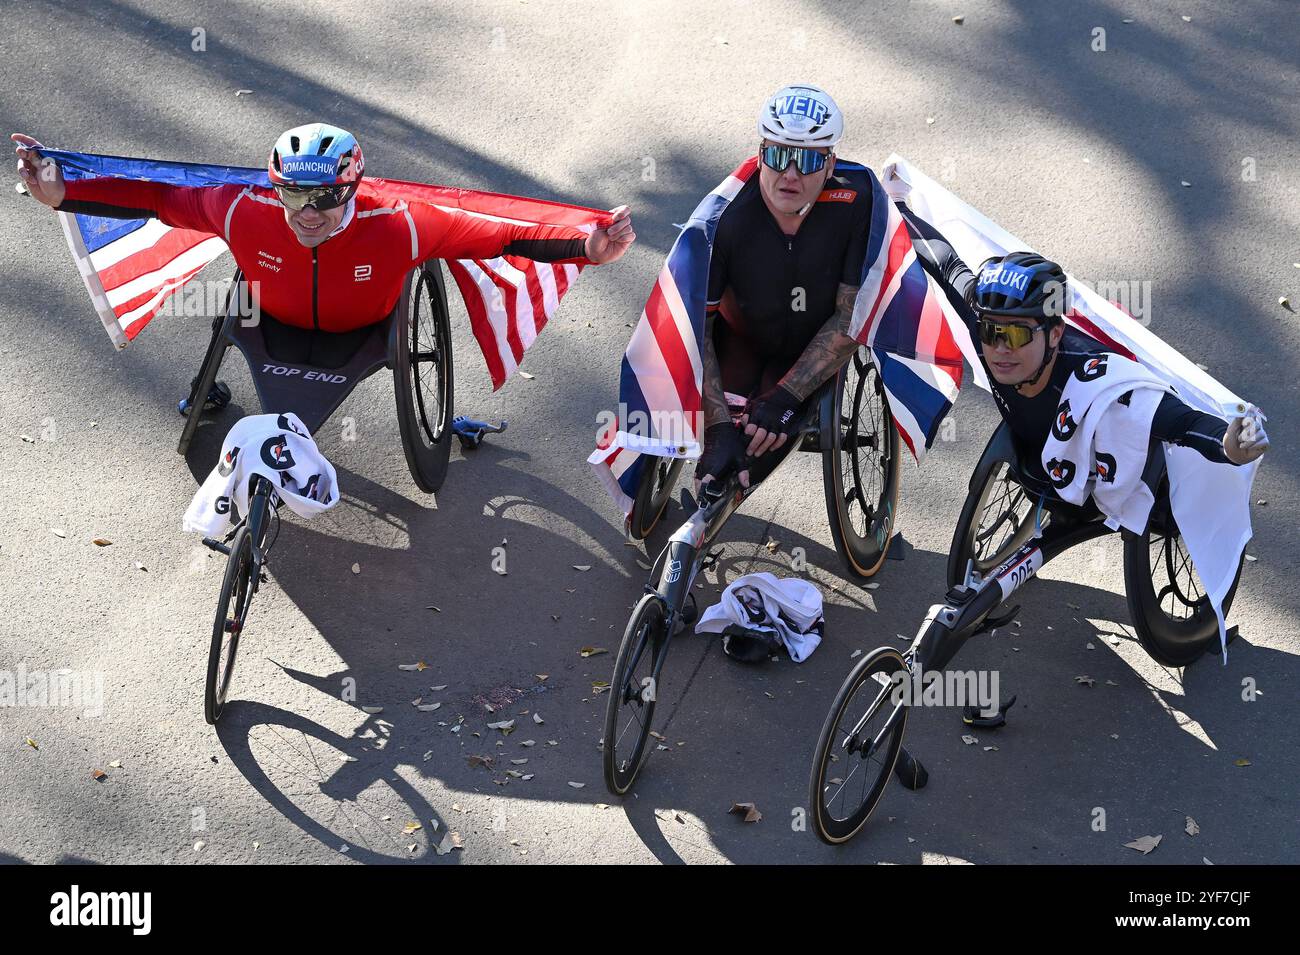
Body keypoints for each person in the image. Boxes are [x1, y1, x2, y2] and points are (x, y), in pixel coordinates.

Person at [12, 123, 635, 405]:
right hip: (272, 323)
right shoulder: (240, 208)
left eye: (327, 198)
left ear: (353, 188)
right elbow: (153, 196)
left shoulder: (403, 223)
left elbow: (503, 236)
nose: (308, 214)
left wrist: (586, 247)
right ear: (275, 186)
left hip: (363, 333)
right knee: (228, 303)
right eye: (293, 196)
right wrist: (61, 193)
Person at [893, 208, 1268, 473]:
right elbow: (945, 262)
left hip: (1100, 479)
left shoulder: (1099, 377)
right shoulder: (983, 321)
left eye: (1017, 335)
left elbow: (1180, 421)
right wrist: (889, 205)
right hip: (1036, 454)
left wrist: (1229, 446)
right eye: (991, 332)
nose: (1000, 348)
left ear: (1055, 333)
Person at [695, 84, 870, 490]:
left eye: (807, 160)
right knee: (721, 450)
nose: (790, 175)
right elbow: (694, 324)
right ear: (760, 156)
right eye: (777, 156)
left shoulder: (856, 202)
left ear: (830, 164)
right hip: (738, 342)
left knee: (756, 453)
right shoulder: (726, 217)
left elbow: (854, 315)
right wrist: (717, 424)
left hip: (806, 353)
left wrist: (787, 397)